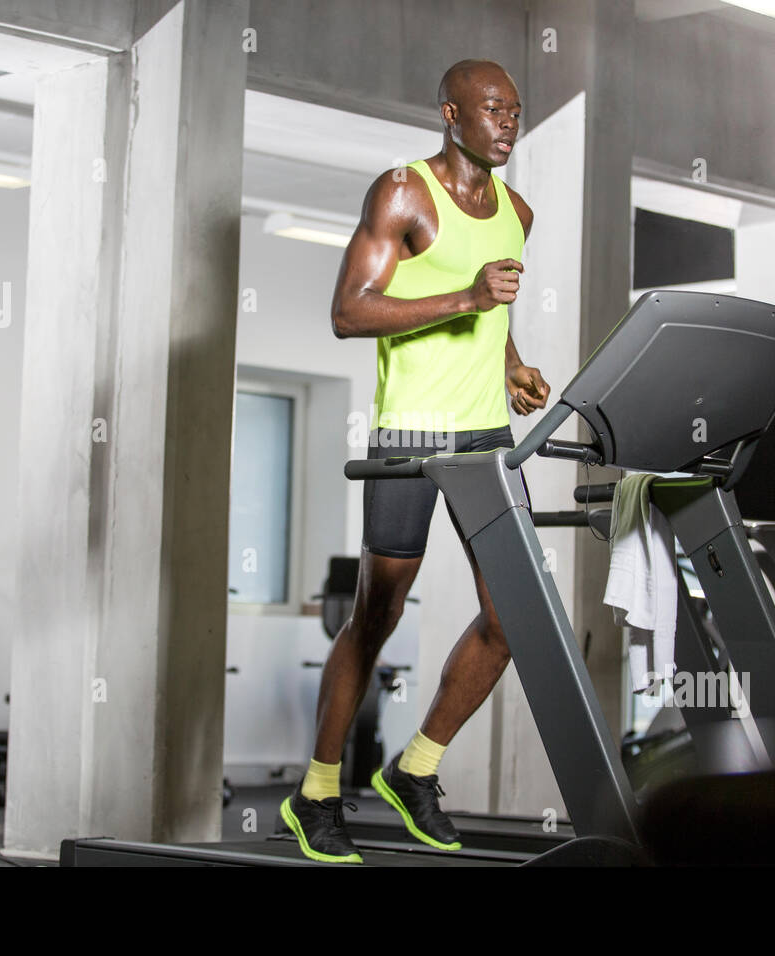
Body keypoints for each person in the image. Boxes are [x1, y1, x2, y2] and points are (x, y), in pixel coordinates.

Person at [279, 59, 551, 863]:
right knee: (376, 617)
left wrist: (510, 364)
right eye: (493, 108)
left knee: (515, 620)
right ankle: (317, 792)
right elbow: (348, 311)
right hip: (411, 435)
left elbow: (490, 311)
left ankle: (416, 768)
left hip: (487, 437)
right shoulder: (401, 192)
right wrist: (468, 298)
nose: (507, 122)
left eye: (516, 110)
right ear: (450, 113)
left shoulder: (517, 211)